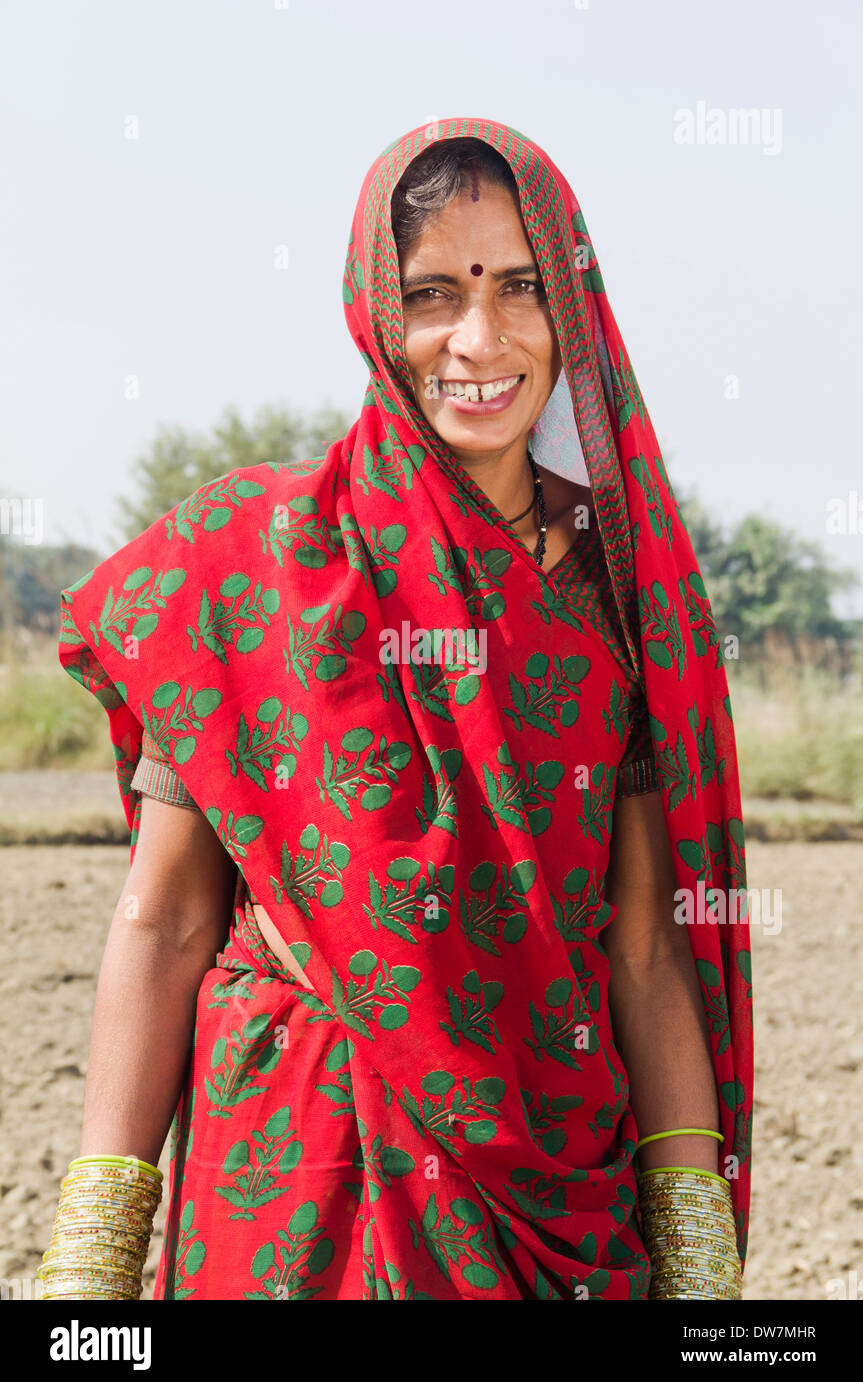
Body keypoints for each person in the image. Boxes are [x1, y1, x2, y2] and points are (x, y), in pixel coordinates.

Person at [40, 118, 753, 1301]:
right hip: (290, 1174)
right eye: (431, 293)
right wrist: (92, 1258)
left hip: (542, 1175)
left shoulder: (613, 588)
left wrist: (697, 1267)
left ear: (572, 309)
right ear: (374, 312)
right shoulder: (252, 563)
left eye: (521, 287)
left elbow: (638, 943)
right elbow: (164, 922)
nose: (479, 338)